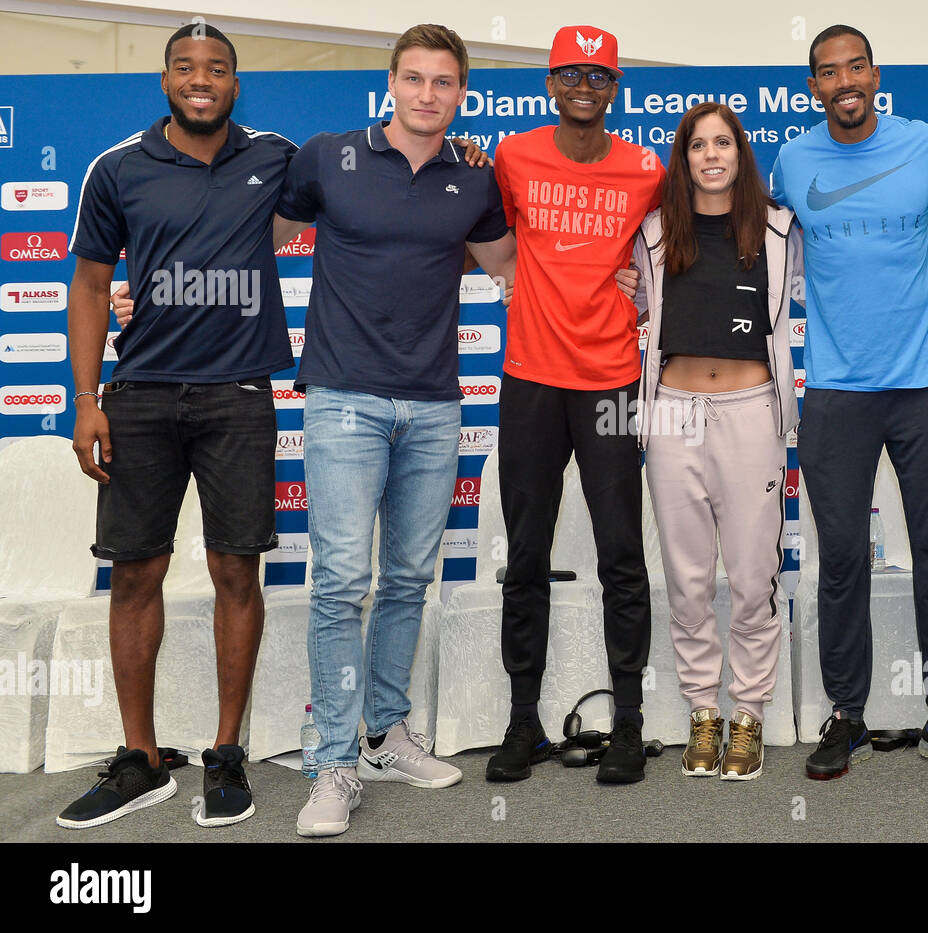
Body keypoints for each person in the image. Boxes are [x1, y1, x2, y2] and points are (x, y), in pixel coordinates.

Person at [274, 24, 517, 836]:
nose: (426, 94)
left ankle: (385, 732)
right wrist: (148, 295)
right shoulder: (327, 158)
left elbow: (517, 271)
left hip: (435, 404)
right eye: (413, 78)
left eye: (443, 82)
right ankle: (332, 764)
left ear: (460, 93)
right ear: (390, 82)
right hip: (343, 397)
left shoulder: (472, 180)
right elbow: (252, 238)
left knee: (409, 577)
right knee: (344, 581)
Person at [61, 23, 294, 829]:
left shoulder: (276, 158)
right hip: (141, 397)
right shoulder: (116, 167)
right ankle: (142, 758)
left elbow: (365, 185)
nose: (203, 80)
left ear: (237, 82)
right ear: (165, 80)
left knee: (238, 574)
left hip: (238, 394)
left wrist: (467, 157)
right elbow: (92, 286)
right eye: (187, 68)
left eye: (218, 69)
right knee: (134, 575)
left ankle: (227, 752)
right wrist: (86, 400)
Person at [772, 24, 928, 782]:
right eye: (828, 72)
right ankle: (847, 714)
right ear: (814, 88)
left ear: (874, 73)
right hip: (835, 391)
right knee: (843, 560)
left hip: (925, 385)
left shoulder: (925, 144)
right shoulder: (792, 160)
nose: (844, 80)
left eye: (855, 66)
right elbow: (742, 238)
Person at [487, 24, 666, 785]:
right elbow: (479, 229)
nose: (585, 85)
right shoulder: (513, 156)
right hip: (530, 379)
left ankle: (628, 722)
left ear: (615, 88)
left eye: (600, 74)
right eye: (571, 73)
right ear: (550, 84)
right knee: (525, 556)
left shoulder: (647, 168)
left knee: (622, 553)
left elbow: (682, 247)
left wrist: (647, 292)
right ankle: (523, 719)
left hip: (610, 381)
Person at [632, 103, 802, 781]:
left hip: (751, 410)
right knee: (688, 576)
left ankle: (750, 713)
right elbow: (629, 300)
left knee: (754, 574)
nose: (710, 154)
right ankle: (704, 710)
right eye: (698, 144)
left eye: (722, 143)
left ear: (740, 154)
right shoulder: (652, 231)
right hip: (673, 410)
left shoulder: (782, 229)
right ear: (684, 157)